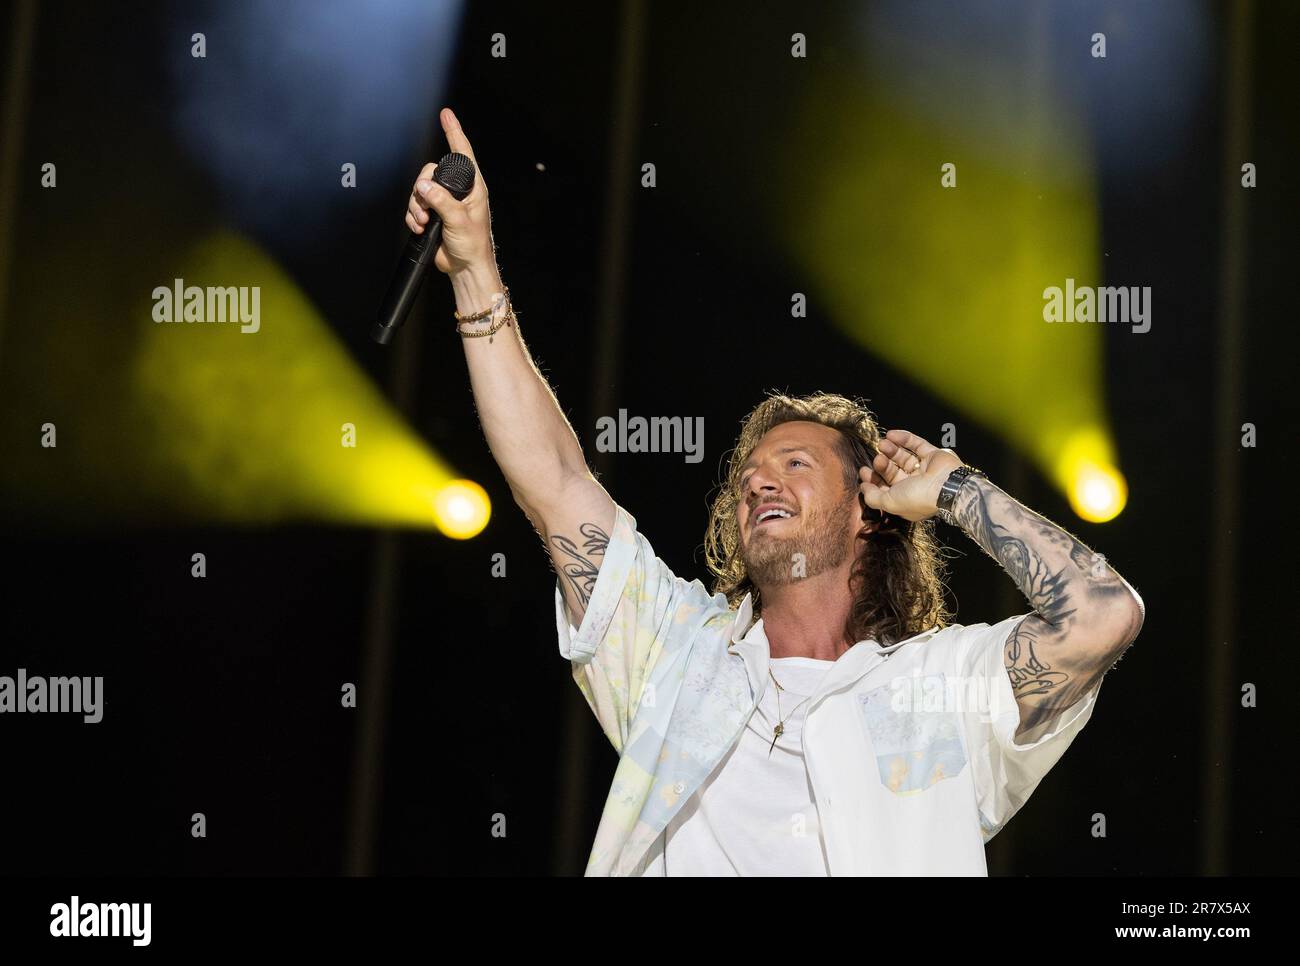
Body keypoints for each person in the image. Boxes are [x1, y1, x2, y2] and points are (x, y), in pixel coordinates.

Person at [405, 107, 1145, 877]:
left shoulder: (945, 687)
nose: (758, 477)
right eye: (749, 472)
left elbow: (1104, 616)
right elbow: (554, 481)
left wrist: (957, 488)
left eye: (794, 464)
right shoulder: (673, 654)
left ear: (869, 509)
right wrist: (473, 267)